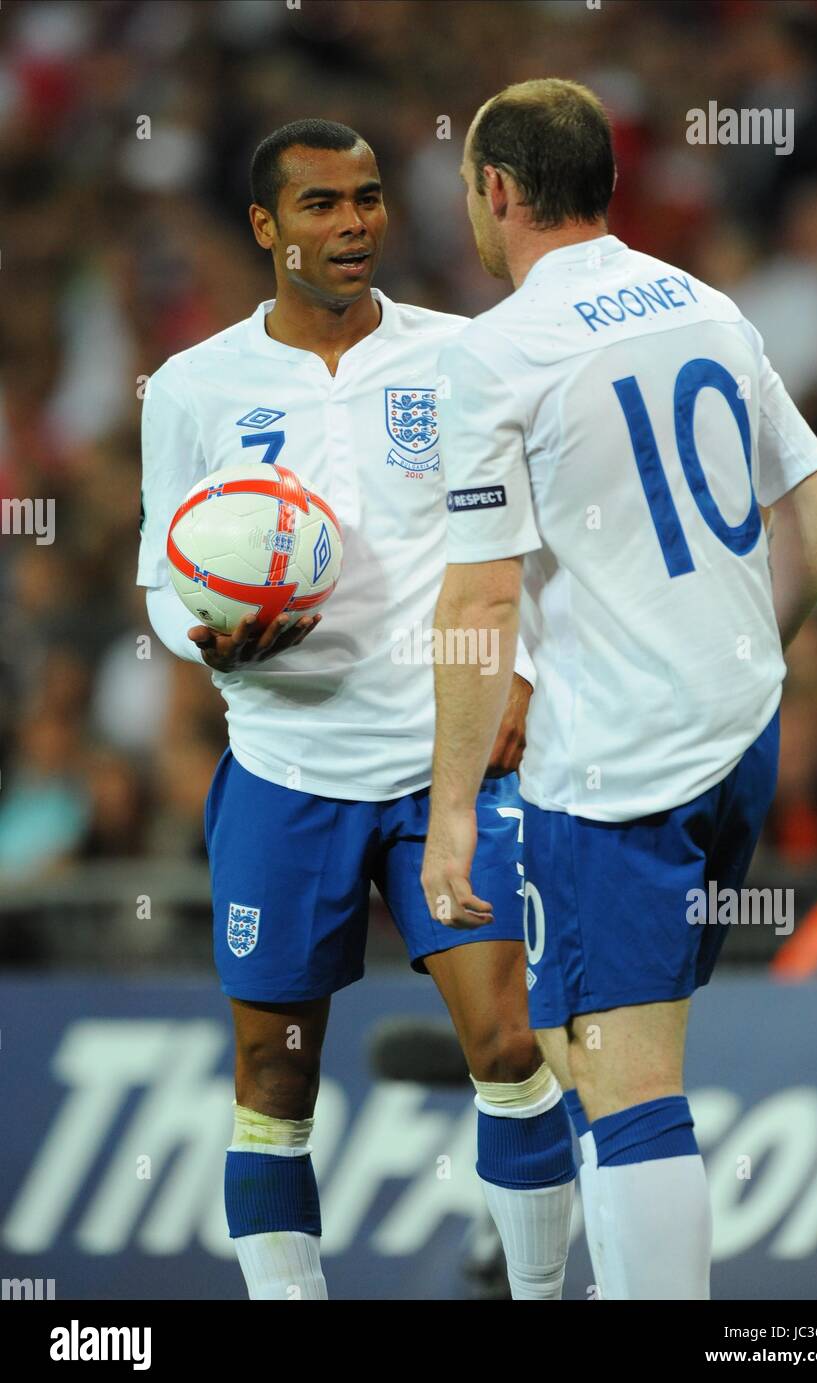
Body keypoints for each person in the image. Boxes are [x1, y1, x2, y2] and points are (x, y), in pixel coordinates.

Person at [421, 78, 817, 1300]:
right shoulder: (708, 306)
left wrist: (452, 809)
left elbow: (480, 604)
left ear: (495, 191)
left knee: (620, 1075)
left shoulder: (494, 352)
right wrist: (738, 650)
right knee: (591, 1044)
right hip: (734, 738)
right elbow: (815, 512)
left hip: (616, 772)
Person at [138, 118, 576, 1301]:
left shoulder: (461, 355)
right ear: (263, 227)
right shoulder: (192, 387)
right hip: (284, 766)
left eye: (368, 199)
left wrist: (524, 669)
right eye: (321, 205)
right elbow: (162, 584)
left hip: (450, 767)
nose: (352, 225)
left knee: (511, 1045)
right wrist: (210, 638)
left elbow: (522, 544)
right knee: (273, 1081)